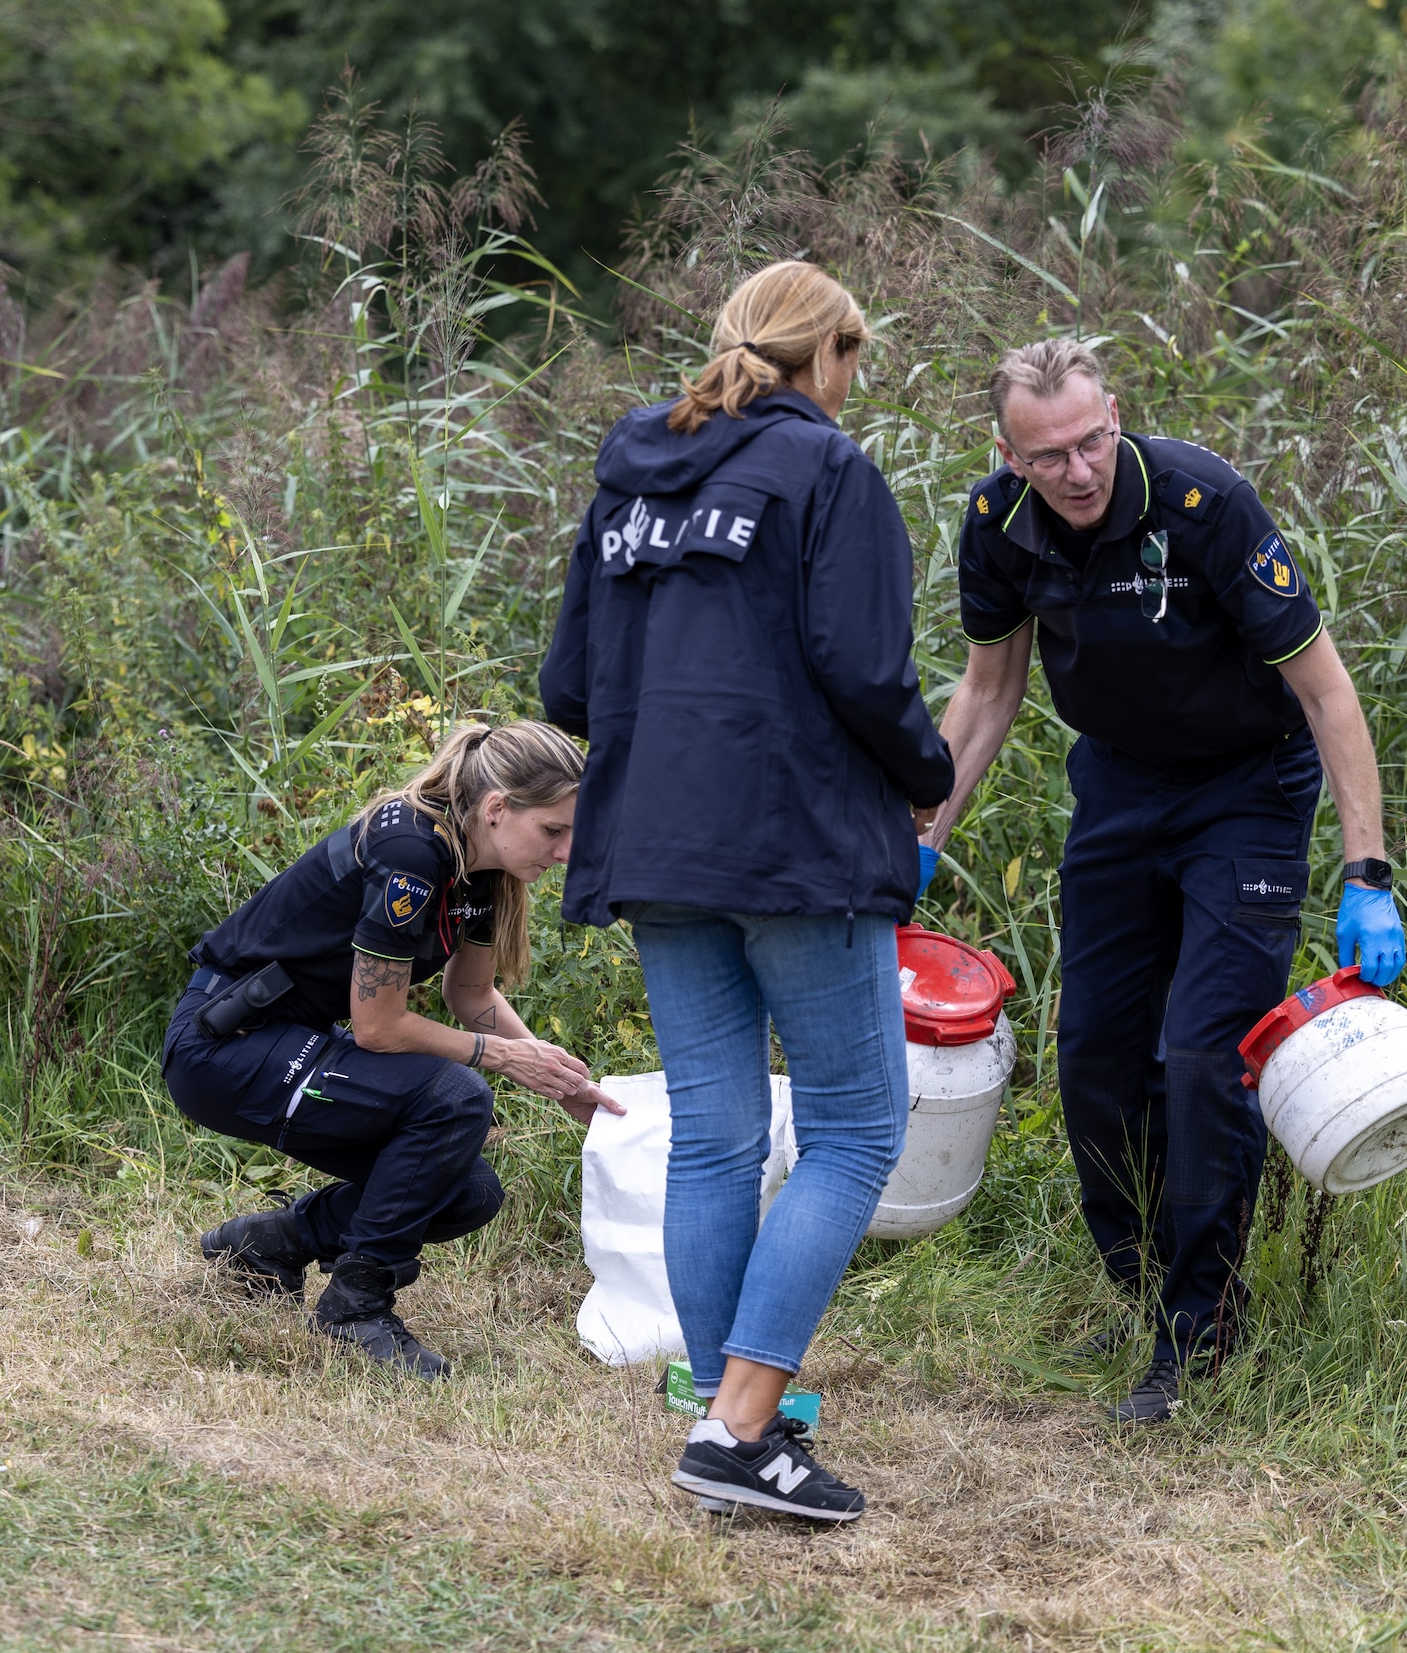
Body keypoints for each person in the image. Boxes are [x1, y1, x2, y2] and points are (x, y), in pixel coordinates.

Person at [921, 338, 1407, 1424]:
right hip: (1120, 785)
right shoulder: (998, 522)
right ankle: (1144, 1287)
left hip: (1245, 790)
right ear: (1006, 452)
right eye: (1048, 456)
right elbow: (988, 691)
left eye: (1091, 441)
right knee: (1093, 1054)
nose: (1078, 471)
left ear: (1115, 416)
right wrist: (919, 836)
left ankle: (1200, 1326)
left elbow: (1326, 693)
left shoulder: (1202, 503)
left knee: (1201, 1055)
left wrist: (1365, 871)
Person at [540, 260, 954, 1522]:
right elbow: (863, 670)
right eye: (853, 360)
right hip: (793, 845)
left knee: (714, 1138)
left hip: (653, 845)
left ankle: (723, 1425)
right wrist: (926, 776)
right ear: (827, 354)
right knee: (855, 1132)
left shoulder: (627, 475)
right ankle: (735, 1429)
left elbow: (567, 688)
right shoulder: (826, 469)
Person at [165, 721, 622, 1379]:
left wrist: (557, 1076)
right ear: (497, 808)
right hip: (225, 1046)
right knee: (456, 1097)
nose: (566, 851)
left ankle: (270, 1243)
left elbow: (471, 995)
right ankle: (355, 1309)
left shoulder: (481, 870)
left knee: (468, 1191)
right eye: (554, 830)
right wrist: (501, 1057)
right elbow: (377, 1027)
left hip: (292, 1039)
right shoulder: (411, 850)